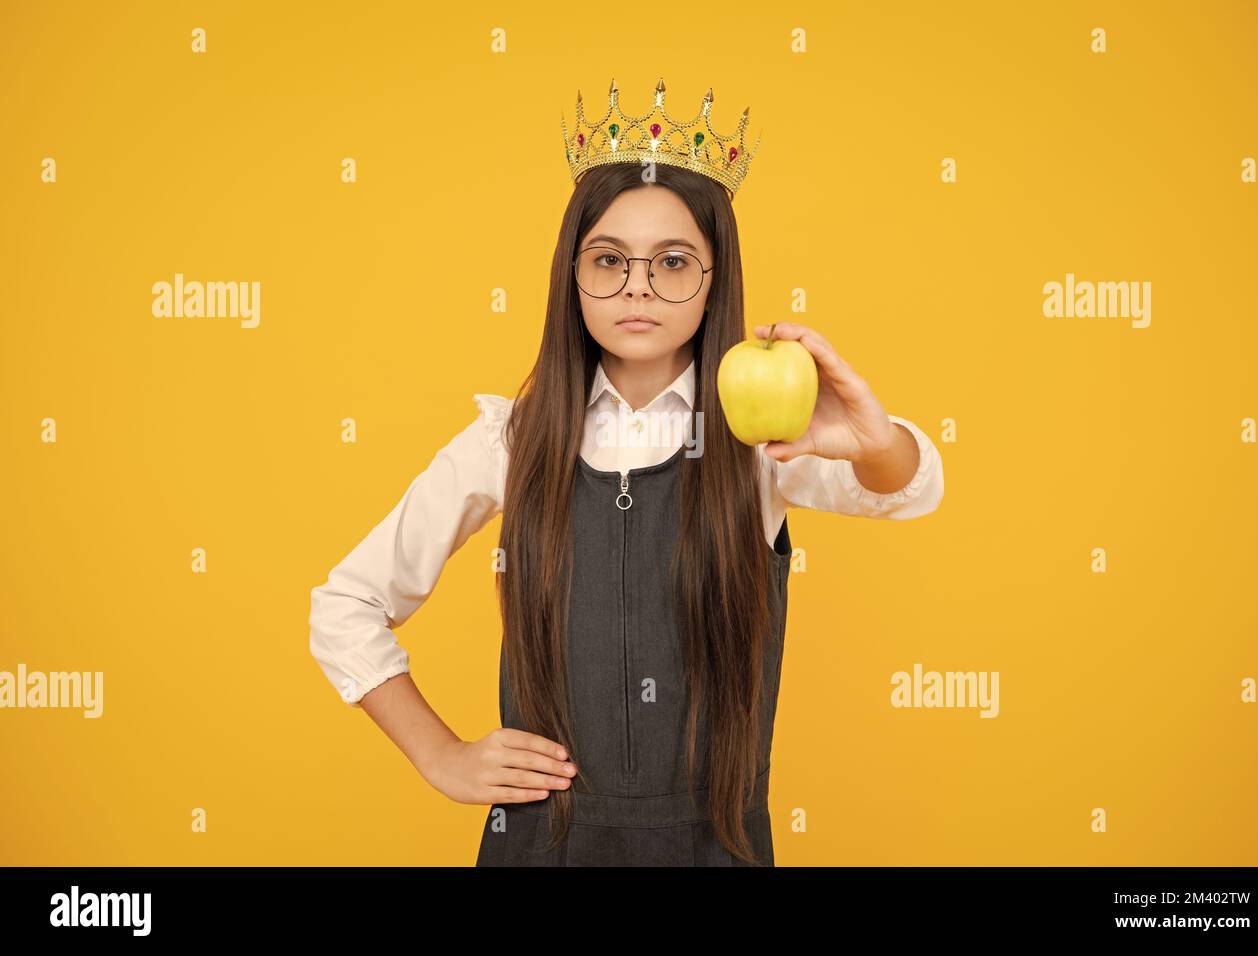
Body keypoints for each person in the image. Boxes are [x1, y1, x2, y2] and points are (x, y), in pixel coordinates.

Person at [308, 78, 944, 866]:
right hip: (546, 844)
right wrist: (442, 756)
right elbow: (346, 605)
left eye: (673, 262)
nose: (638, 286)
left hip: (716, 846)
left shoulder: (761, 443)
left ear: (716, 283)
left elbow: (910, 488)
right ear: (570, 277)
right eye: (609, 260)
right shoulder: (511, 439)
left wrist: (868, 437)